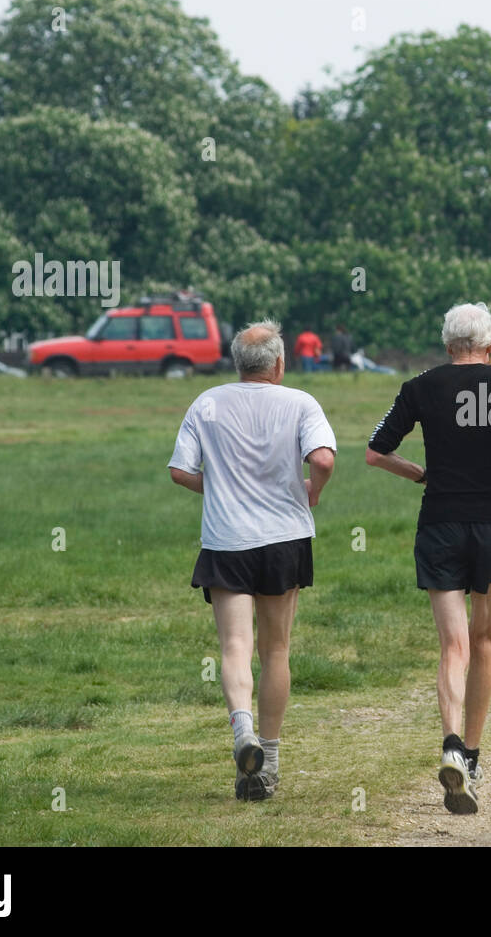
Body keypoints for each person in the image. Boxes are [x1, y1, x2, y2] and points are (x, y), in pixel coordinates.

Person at [365, 302, 491, 815]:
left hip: (440, 522)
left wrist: (421, 474)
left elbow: (375, 453)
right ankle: (472, 753)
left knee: (453, 645)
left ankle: (449, 745)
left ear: (448, 346)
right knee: (485, 638)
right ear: (490, 345)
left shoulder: (420, 386)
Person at [168, 320, 337, 801]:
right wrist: (313, 493)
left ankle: (241, 730)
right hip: (284, 538)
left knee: (234, 647)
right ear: (280, 363)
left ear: (237, 364)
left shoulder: (208, 402)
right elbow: (322, 460)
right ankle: (270, 759)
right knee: (276, 650)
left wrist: (218, 487)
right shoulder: (300, 402)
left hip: (227, 539)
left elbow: (181, 470)